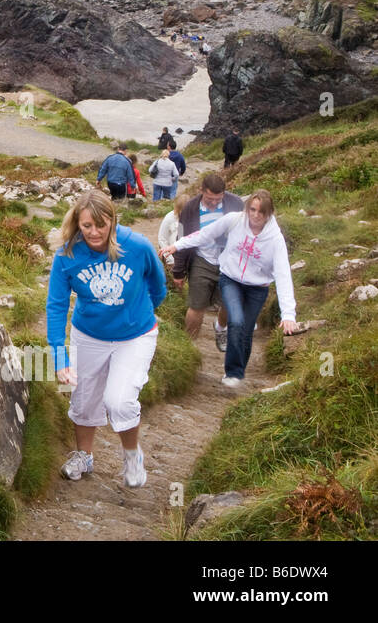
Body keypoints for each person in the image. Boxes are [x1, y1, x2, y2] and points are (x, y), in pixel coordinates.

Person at [48, 189, 168, 487]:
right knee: (83, 400)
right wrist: (59, 355)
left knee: (119, 401)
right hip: (88, 336)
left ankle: (131, 456)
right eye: (87, 226)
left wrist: (136, 314)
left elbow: (158, 286)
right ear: (77, 224)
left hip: (134, 337)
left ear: (112, 221)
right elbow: (56, 306)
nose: (94, 232)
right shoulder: (67, 256)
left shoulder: (137, 246)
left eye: (101, 225)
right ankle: (84, 456)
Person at [161, 189, 299, 389]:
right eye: (252, 209)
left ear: (269, 213)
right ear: (247, 208)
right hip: (231, 279)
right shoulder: (234, 220)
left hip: (257, 288)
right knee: (236, 319)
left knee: (246, 329)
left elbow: (283, 274)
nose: (255, 215)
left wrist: (288, 314)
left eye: (261, 212)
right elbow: (205, 234)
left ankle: (238, 369)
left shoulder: (275, 239)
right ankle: (232, 371)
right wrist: (178, 245)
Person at [172, 173, 243, 350]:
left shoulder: (236, 204)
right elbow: (181, 237)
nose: (213, 203)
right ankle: (189, 345)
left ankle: (221, 328)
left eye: (217, 199)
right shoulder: (190, 208)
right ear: (201, 191)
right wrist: (178, 272)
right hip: (202, 260)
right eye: (209, 199)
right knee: (196, 306)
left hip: (229, 262)